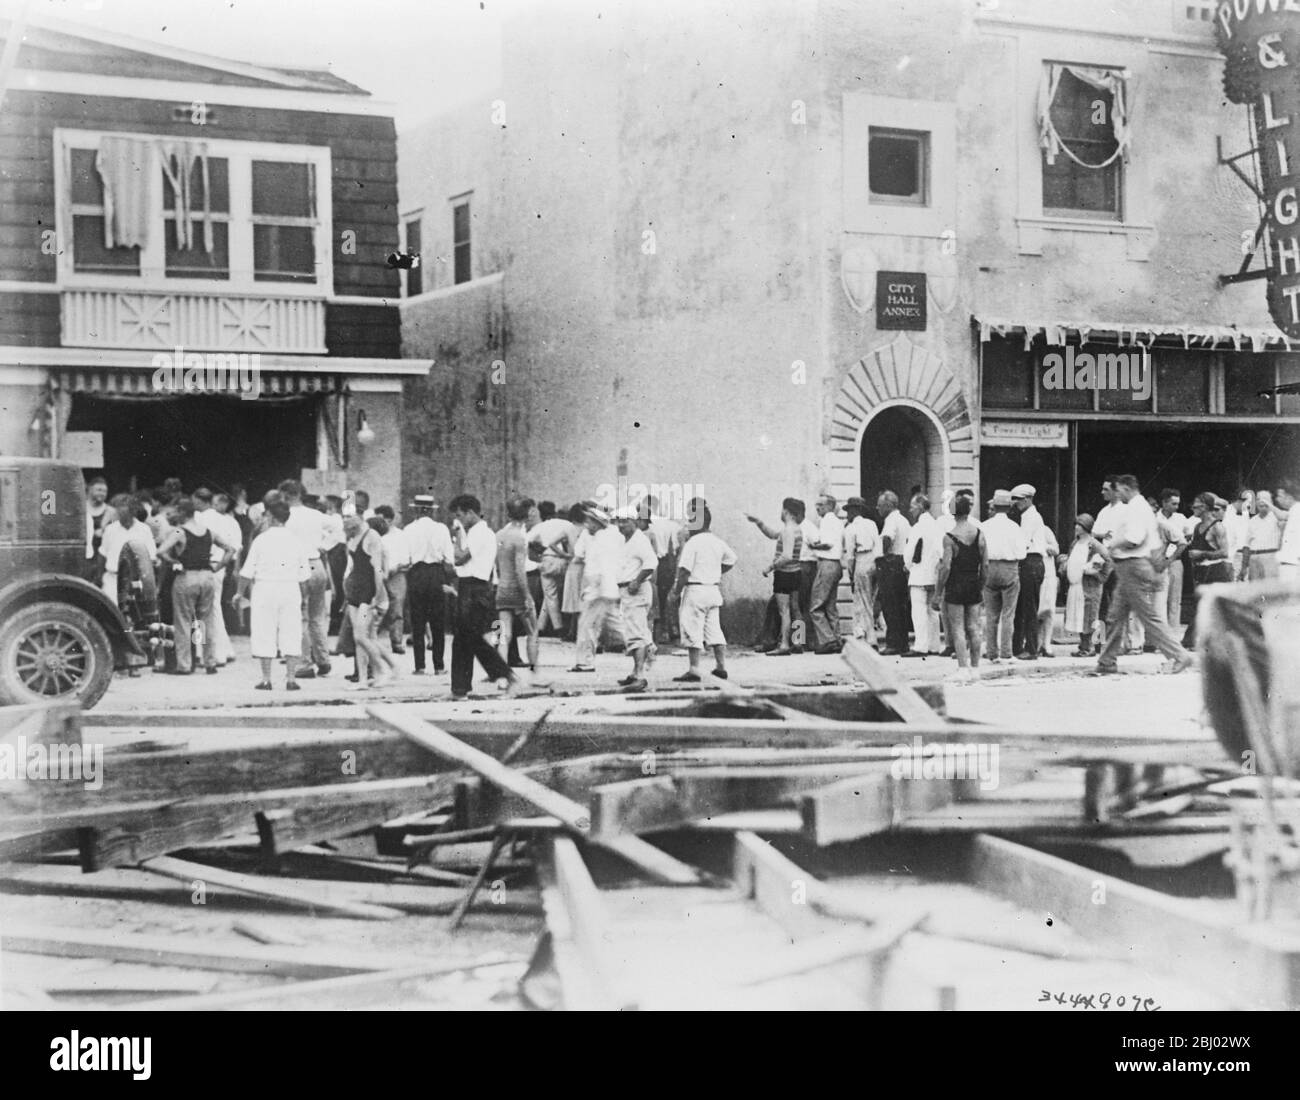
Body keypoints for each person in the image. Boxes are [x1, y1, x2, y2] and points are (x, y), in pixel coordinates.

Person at [1091, 475, 1194, 676]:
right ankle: (1106, 661)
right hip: (1129, 566)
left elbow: (1134, 538)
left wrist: (1112, 544)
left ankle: (1180, 655)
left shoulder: (1137, 509)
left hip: (1134, 566)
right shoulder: (1136, 507)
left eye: (1119, 489)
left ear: (1127, 488)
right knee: (1115, 616)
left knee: (1148, 617)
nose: (1117, 493)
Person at [449, 494, 520, 699]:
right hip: (467, 586)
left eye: (460, 515)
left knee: (471, 638)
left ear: (471, 512)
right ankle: (459, 688)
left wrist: (456, 534)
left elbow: (460, 558)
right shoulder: (473, 533)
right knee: (462, 640)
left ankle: (506, 675)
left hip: (476, 588)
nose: (459, 520)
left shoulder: (481, 533)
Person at [236, 495, 310, 691]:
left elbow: (247, 571)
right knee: (291, 631)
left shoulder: (261, 540)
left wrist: (239, 593)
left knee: (263, 630)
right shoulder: (296, 540)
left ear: (271, 516)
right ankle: (291, 679)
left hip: (265, 588)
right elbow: (304, 575)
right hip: (290, 588)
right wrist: (304, 598)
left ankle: (267, 679)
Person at [157, 497, 237, 675]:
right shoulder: (208, 531)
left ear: (182, 512)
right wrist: (218, 566)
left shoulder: (180, 532)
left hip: (187, 576)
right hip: (207, 576)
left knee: (184, 620)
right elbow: (231, 549)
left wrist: (174, 561)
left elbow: (160, 551)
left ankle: (184, 665)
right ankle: (210, 662)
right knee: (206, 621)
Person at [671, 505, 737, 682]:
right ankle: (721, 666)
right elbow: (732, 559)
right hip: (712, 589)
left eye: (691, 520)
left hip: (695, 589)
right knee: (714, 628)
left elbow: (684, 571)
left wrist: (676, 591)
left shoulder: (693, 543)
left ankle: (694, 669)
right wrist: (715, 571)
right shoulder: (717, 541)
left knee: (692, 628)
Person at [280, 480, 333, 678]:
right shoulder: (315, 514)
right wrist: (324, 545)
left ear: (285, 495)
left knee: (299, 616)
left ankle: (305, 663)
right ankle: (323, 659)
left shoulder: (286, 517)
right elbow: (337, 529)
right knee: (317, 616)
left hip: (298, 567)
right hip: (317, 564)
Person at [932, 494, 986, 678]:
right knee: (974, 627)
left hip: (956, 583)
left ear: (953, 512)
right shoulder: (979, 534)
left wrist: (938, 593)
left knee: (957, 628)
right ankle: (976, 668)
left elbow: (945, 567)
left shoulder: (949, 538)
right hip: (973, 582)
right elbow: (985, 564)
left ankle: (963, 668)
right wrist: (982, 585)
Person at [340, 513, 394, 689]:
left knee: (360, 636)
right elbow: (353, 567)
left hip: (368, 591)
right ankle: (363, 679)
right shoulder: (353, 538)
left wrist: (377, 595)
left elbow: (378, 570)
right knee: (362, 638)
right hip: (355, 590)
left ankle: (382, 670)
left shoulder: (371, 537)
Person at [404, 494, 454, 675]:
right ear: (432, 511)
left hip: (416, 573)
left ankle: (420, 666)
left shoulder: (409, 529)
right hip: (436, 573)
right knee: (438, 621)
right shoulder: (441, 529)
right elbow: (449, 557)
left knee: (417, 620)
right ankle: (439, 665)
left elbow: (405, 558)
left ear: (416, 510)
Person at [570, 504, 623, 673]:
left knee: (587, 625)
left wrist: (593, 588)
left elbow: (597, 566)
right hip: (607, 588)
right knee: (616, 624)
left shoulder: (602, 539)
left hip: (599, 588)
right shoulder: (609, 535)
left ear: (598, 523)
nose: (586, 525)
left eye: (589, 521)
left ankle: (585, 662)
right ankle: (645, 646)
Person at [612, 505, 659, 691]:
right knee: (634, 631)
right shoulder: (626, 541)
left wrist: (636, 581)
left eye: (625, 521)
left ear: (635, 522)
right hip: (626, 590)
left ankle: (640, 675)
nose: (621, 525)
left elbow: (651, 563)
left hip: (636, 591)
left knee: (636, 634)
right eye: (619, 521)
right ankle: (635, 671)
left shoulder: (640, 540)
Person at [1180, 492, 1233, 650]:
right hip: (1202, 570)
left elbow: (1225, 552)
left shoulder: (1217, 527)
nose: (1193, 507)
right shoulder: (1197, 527)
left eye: (1197, 504)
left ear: (1205, 507)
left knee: (1212, 607)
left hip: (1216, 570)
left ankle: (1190, 641)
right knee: (1201, 607)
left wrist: (1201, 554)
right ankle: (1192, 641)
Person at [756, 497, 806, 656]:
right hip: (796, 573)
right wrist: (759, 523)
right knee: (796, 609)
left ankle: (784, 644)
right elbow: (773, 535)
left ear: (786, 511)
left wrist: (769, 567)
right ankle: (798, 641)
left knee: (784, 611)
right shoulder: (797, 529)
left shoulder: (787, 530)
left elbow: (786, 556)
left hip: (784, 575)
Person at [980, 490, 1025, 662]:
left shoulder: (984, 526)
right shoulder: (1014, 527)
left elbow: (980, 550)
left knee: (991, 614)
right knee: (1008, 614)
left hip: (989, 568)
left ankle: (992, 652)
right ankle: (1006, 652)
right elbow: (1021, 553)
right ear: (1008, 507)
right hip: (1009, 568)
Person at [496, 496, 539, 672]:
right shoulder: (520, 538)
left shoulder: (499, 534)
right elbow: (520, 570)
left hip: (502, 588)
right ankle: (535, 672)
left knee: (503, 635)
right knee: (532, 631)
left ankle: (500, 673)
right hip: (517, 590)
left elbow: (498, 566)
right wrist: (527, 595)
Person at [1063, 514, 1109, 656]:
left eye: (1080, 525)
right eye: (1076, 524)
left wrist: (1096, 573)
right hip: (1076, 585)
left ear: (1087, 527)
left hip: (1089, 586)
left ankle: (1091, 647)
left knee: (1090, 615)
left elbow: (1107, 560)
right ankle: (1083, 646)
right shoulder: (1075, 543)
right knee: (1079, 615)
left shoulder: (1094, 545)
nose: (1076, 527)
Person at [1010, 484, 1046, 661]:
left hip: (1031, 561)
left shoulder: (1030, 517)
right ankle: (1021, 646)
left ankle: (1031, 649)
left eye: (1017, 499)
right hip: (1030, 562)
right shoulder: (1028, 515)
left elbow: (1022, 543)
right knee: (1024, 606)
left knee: (1029, 608)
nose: (1015, 503)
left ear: (1027, 499)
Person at [903, 493, 942, 658]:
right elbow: (940, 552)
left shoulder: (917, 527)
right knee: (933, 612)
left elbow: (909, 551)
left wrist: (908, 566)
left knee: (918, 611)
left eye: (912, 507)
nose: (911, 510)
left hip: (919, 574)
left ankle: (921, 646)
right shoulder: (936, 525)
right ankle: (934, 645)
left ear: (919, 507)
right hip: (933, 574)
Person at [806, 494, 845, 654]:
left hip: (823, 564)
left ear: (830, 506)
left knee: (812, 606)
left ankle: (826, 640)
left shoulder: (826, 521)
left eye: (820, 505)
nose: (817, 508)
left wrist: (812, 546)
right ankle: (836, 639)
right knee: (829, 606)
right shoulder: (837, 521)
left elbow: (827, 544)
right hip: (835, 565)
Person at [875, 491, 911, 655]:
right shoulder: (903, 520)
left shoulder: (890, 520)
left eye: (880, 505)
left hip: (891, 563)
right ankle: (902, 642)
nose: (877, 508)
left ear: (888, 506)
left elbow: (887, 538)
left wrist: (884, 555)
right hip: (901, 562)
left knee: (890, 605)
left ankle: (893, 643)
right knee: (901, 606)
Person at [373, 505, 412, 654]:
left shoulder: (401, 536)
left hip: (397, 575)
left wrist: (394, 568)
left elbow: (406, 557)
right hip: (378, 574)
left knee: (396, 608)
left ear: (389, 520)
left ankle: (396, 641)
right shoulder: (375, 535)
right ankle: (371, 638)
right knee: (376, 607)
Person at [841, 497, 878, 648]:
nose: (847, 515)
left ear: (854, 511)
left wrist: (851, 575)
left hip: (861, 559)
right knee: (869, 600)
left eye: (849, 511)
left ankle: (867, 637)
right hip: (874, 560)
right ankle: (866, 632)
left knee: (860, 601)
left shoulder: (850, 529)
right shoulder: (871, 524)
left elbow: (850, 556)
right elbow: (878, 544)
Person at [529, 501, 570, 636]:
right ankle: (540, 626)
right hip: (564, 560)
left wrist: (538, 554)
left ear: (541, 513)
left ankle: (558, 627)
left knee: (550, 594)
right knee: (555, 594)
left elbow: (528, 543)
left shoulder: (540, 527)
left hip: (547, 559)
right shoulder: (566, 524)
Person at [1156, 490, 1188, 629]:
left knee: (1174, 599)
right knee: (1157, 600)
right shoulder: (1155, 518)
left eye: (1178, 504)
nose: (1176, 507)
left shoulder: (1181, 518)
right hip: (1158, 563)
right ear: (1164, 502)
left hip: (1174, 561)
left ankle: (1173, 633)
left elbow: (1187, 537)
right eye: (1173, 503)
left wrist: (1173, 557)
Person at [556, 503, 588, 642]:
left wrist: (564, 554)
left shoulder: (568, 528)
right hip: (586, 565)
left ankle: (572, 631)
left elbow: (551, 543)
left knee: (574, 599)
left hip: (573, 564)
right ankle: (579, 631)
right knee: (584, 599)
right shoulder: (588, 529)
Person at [321, 495, 348, 633]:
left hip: (334, 552)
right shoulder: (337, 519)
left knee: (335, 588)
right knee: (337, 588)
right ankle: (335, 621)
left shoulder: (335, 519)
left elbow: (328, 539)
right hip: (336, 552)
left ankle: (334, 622)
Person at [1244, 489, 1281, 582]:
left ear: (1271, 502)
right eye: (1259, 499)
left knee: (1270, 590)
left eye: (1265, 499)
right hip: (1254, 559)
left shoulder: (1277, 518)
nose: (1262, 502)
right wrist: (1244, 566)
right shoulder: (1252, 521)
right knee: (1255, 591)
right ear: (1256, 502)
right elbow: (1247, 545)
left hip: (1271, 557)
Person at [1036, 524, 1062, 656]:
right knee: (1035, 612)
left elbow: (1056, 549)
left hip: (1048, 575)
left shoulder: (1045, 530)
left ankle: (1047, 645)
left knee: (1049, 611)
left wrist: (1043, 546)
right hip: (1035, 576)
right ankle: (1037, 644)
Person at [84, 476, 113, 585]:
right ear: (90, 489)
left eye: (105, 491)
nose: (102, 493)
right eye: (99, 490)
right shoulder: (81, 508)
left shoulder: (111, 512)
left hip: (102, 558)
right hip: (84, 555)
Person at [1274, 481, 1300, 583]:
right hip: (1288, 561)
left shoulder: (1297, 511)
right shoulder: (1293, 511)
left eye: (1280, 496)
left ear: (1289, 497)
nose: (1277, 499)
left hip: (1293, 563)